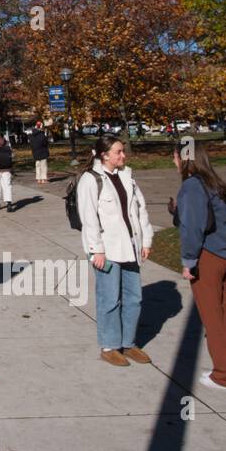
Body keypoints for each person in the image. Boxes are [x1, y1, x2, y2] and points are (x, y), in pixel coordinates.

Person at [170, 143, 226, 391]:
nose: (174, 162)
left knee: (212, 319)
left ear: (184, 158)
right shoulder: (215, 183)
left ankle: (225, 375)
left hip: (207, 256)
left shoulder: (191, 187)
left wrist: (188, 261)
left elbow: (193, 229)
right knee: (225, 314)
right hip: (224, 253)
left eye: (176, 157)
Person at [78, 133, 153, 366]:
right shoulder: (90, 180)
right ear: (104, 155)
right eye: (118, 152)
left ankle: (128, 343)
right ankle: (110, 345)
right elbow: (88, 217)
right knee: (109, 299)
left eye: (122, 151)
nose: (123, 155)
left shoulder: (127, 177)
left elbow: (140, 210)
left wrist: (145, 241)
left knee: (134, 298)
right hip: (107, 251)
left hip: (131, 247)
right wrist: (95, 249)